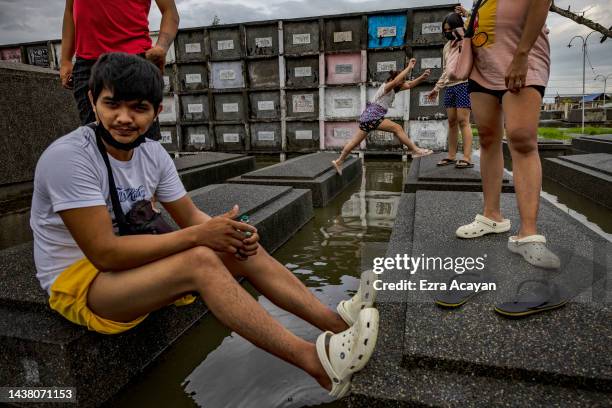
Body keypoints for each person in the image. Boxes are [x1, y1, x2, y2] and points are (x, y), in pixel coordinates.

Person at [31, 53, 379, 398]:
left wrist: (232, 230)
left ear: (156, 111)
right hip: (81, 282)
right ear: (93, 101)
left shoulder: (153, 153)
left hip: (135, 261)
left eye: (138, 108)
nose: (124, 118)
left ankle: (338, 323)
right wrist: (201, 235)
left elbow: (191, 218)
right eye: (112, 105)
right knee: (200, 260)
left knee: (239, 245)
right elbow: (104, 254)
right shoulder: (69, 158)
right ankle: (318, 364)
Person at [455, 1, 560, 270]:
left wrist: (522, 54)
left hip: (520, 60)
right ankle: (492, 216)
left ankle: (528, 233)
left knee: (522, 138)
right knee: (488, 138)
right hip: (483, 68)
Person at [59, 0, 180, 127]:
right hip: (87, 65)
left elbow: (170, 11)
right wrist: (66, 60)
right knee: (94, 134)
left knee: (140, 134)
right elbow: (70, 11)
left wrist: (161, 48)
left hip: (133, 61)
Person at [332, 59, 433, 175]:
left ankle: (339, 161)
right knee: (397, 128)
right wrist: (409, 67)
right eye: (402, 80)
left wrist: (422, 77)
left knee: (354, 142)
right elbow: (396, 81)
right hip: (373, 116)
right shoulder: (386, 86)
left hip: (367, 117)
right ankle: (416, 150)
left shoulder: (395, 89)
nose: (403, 83)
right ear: (393, 79)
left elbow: (409, 84)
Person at [427, 12, 474, 169]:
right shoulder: (447, 47)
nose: (447, 33)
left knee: (463, 121)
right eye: (444, 30)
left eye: (449, 29)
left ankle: (467, 157)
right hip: (450, 86)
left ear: (457, 27)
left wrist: (466, 16)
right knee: (452, 122)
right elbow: (446, 70)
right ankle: (451, 156)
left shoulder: (467, 42)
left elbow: (472, 27)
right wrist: (437, 88)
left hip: (464, 84)